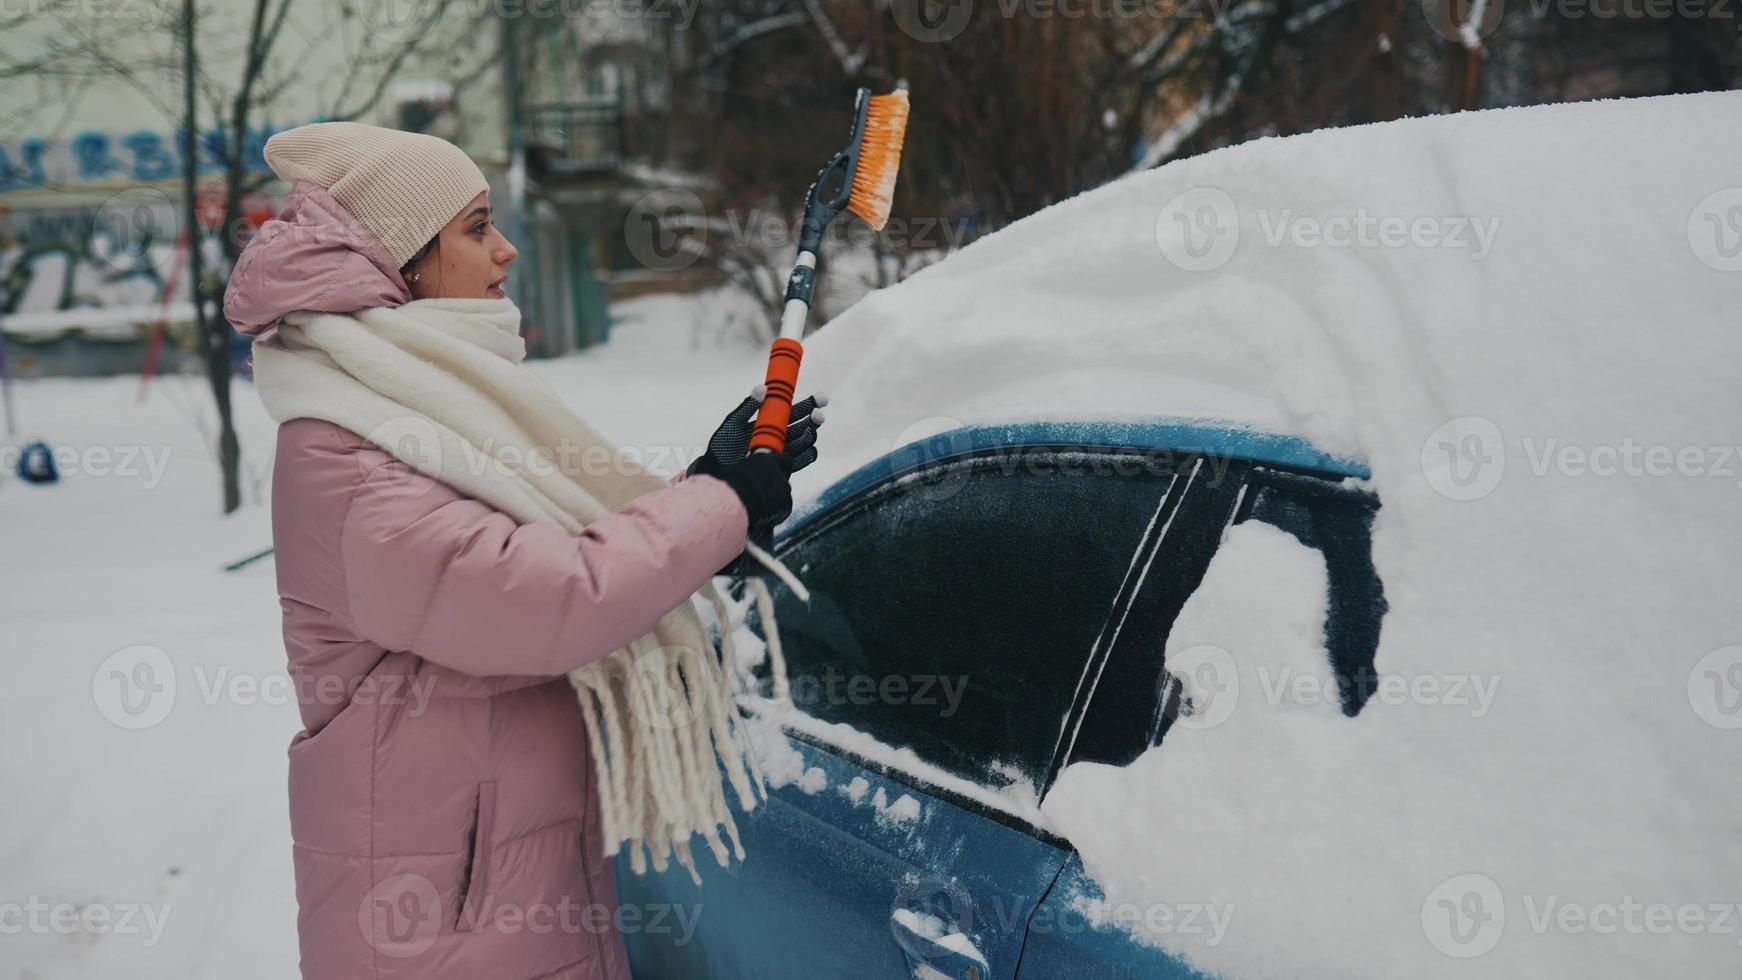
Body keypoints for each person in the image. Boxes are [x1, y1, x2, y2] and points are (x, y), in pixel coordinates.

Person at [222, 121, 823, 980]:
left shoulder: (412, 409)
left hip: (496, 901)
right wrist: (719, 508)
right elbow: (546, 598)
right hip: (436, 936)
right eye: (475, 228)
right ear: (405, 260)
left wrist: (697, 485)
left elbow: (535, 552)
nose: (504, 252)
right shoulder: (349, 455)